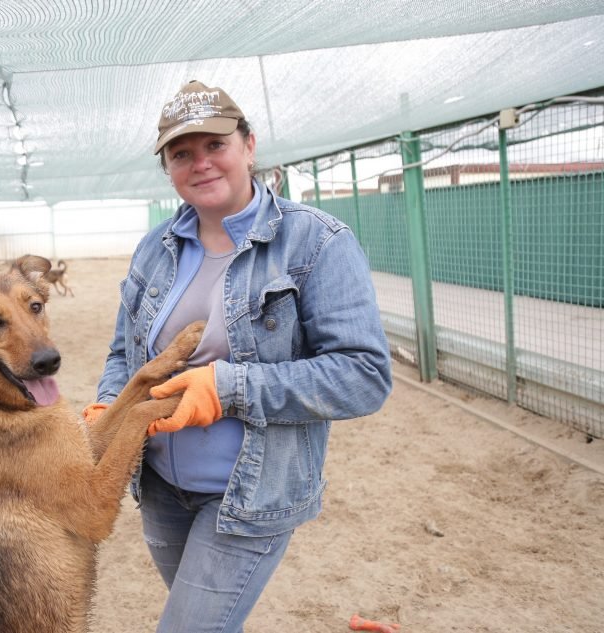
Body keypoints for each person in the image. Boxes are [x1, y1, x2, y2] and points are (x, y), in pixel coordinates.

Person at [85, 80, 393, 632]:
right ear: (168, 168)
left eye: (215, 146)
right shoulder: (156, 248)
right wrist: (110, 404)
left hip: (248, 495)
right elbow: (122, 351)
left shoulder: (315, 242)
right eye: (182, 153)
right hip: (159, 489)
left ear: (249, 146)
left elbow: (363, 376)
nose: (200, 163)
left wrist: (226, 388)